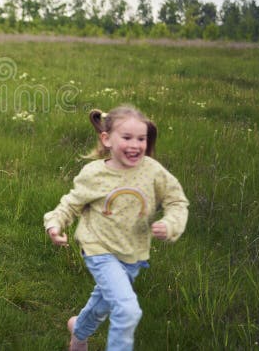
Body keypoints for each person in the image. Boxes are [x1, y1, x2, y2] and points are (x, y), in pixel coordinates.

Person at [44, 105, 189, 351]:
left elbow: (177, 201)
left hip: (133, 254)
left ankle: (78, 330)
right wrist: (55, 224)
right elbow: (71, 203)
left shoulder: (153, 171)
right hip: (99, 249)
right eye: (127, 138)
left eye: (141, 139)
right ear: (106, 139)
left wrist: (170, 223)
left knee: (103, 304)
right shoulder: (95, 173)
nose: (135, 145)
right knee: (127, 308)